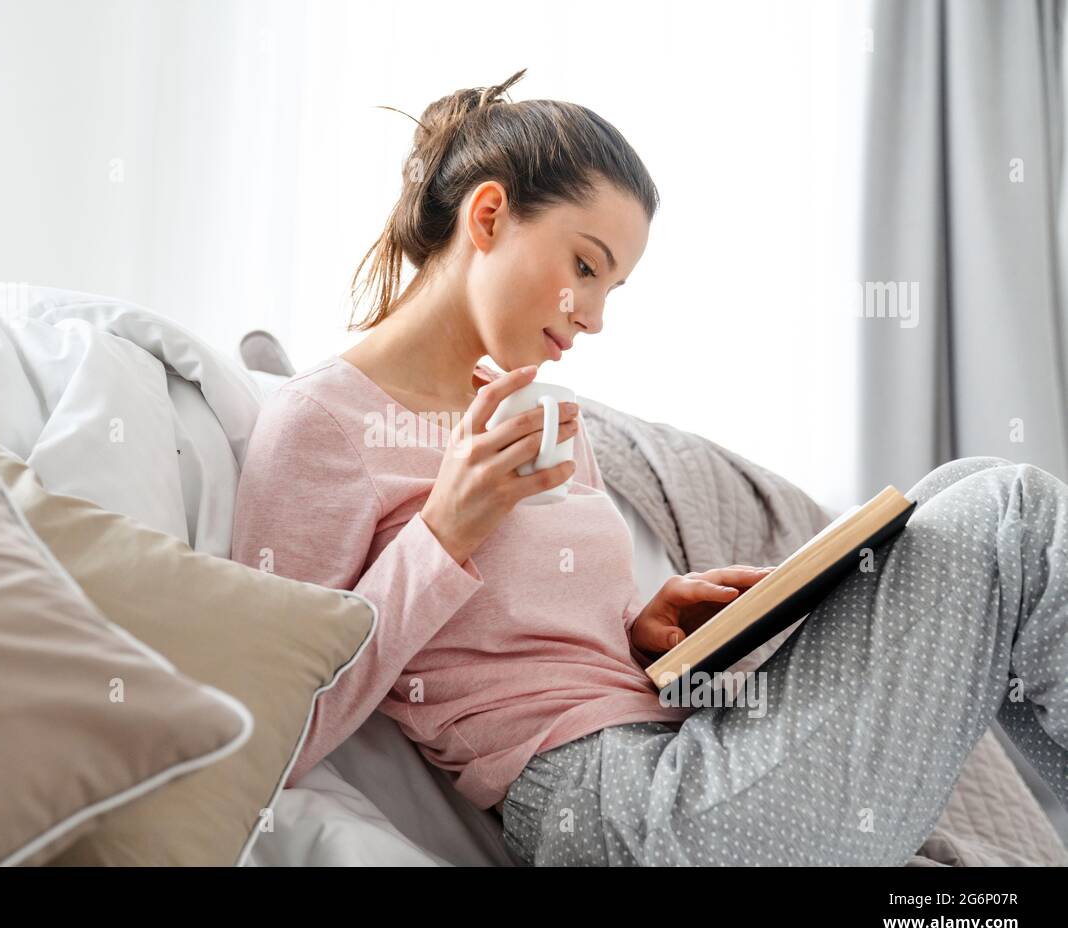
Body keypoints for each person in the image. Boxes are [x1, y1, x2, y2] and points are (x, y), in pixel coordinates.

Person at [230, 68, 1068, 865]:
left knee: (960, 490)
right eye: (585, 267)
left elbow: (547, 640)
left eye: (612, 288)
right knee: (1009, 510)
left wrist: (638, 626)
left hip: (686, 747)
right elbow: (272, 725)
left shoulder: (537, 416)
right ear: (487, 217)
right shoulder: (321, 424)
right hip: (617, 810)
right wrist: (443, 531)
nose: (593, 317)